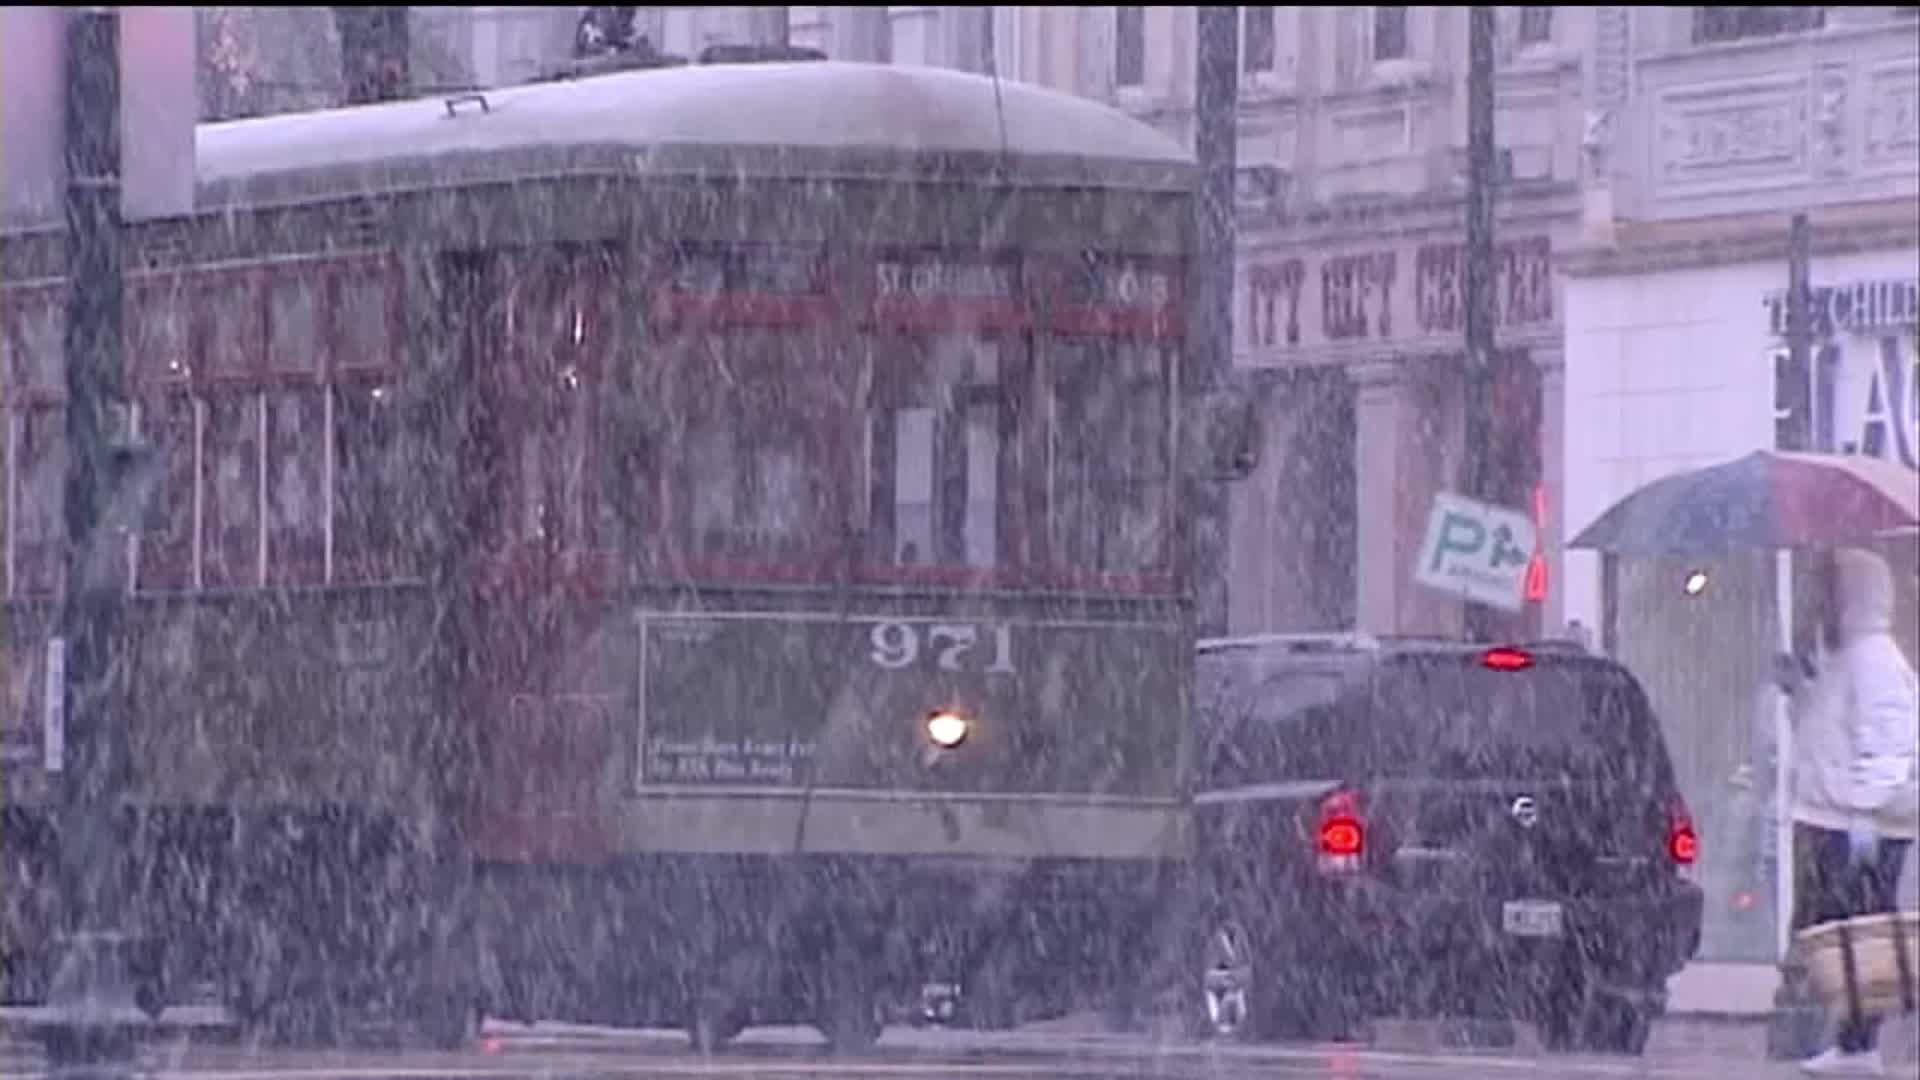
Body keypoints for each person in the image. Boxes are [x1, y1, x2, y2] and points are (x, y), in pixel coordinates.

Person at [1790, 547, 1920, 1077]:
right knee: (1839, 933)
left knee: (1858, 936)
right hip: (1835, 819)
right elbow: (1829, 736)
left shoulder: (1874, 658)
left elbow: (1887, 742)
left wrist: (1867, 813)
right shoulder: (1848, 657)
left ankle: (1860, 1043)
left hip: (1856, 823)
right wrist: (1799, 690)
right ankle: (1853, 1040)